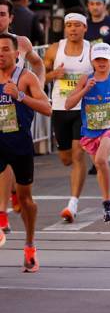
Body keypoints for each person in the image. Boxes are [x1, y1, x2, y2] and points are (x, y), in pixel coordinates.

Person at [64, 42, 110, 226]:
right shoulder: (84, 80)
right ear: (92, 61)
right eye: (98, 60)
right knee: (100, 167)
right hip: (91, 130)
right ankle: (109, 203)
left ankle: (107, 203)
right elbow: (68, 104)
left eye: (105, 59)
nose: (102, 63)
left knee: (101, 161)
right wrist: (85, 90)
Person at [0, 32, 51, 270]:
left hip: (19, 144)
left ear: (16, 53)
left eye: (5, 49)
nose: (1, 54)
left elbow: (47, 108)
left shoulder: (26, 78)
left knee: (25, 200)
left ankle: (30, 245)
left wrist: (20, 96)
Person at [44, 13, 92, 222]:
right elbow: (39, 75)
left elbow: (103, 73)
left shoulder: (92, 50)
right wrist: (52, 75)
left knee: (77, 154)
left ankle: (72, 203)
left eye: (77, 25)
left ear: (85, 28)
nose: (73, 29)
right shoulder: (55, 49)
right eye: (69, 25)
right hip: (60, 108)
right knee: (65, 159)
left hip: (83, 108)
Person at [0, 0, 43, 76]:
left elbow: (38, 63)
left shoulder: (22, 42)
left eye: (2, 14)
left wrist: (38, 85)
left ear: (10, 18)